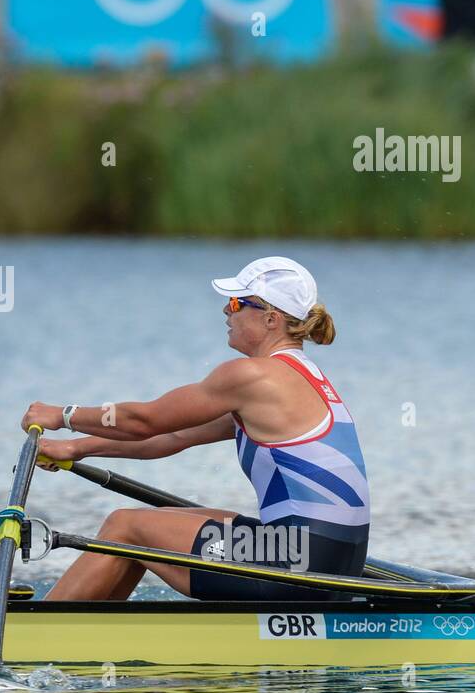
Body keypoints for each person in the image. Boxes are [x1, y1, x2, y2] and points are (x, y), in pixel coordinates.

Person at [21, 257, 369, 601]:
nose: (225, 312)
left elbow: (146, 421)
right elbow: (171, 437)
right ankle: (93, 632)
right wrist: (75, 448)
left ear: (270, 318)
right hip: (336, 559)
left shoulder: (253, 376)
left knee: (125, 526)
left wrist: (63, 414)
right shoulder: (306, 378)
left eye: (235, 303)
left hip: (296, 558)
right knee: (167, 523)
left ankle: (40, 635)